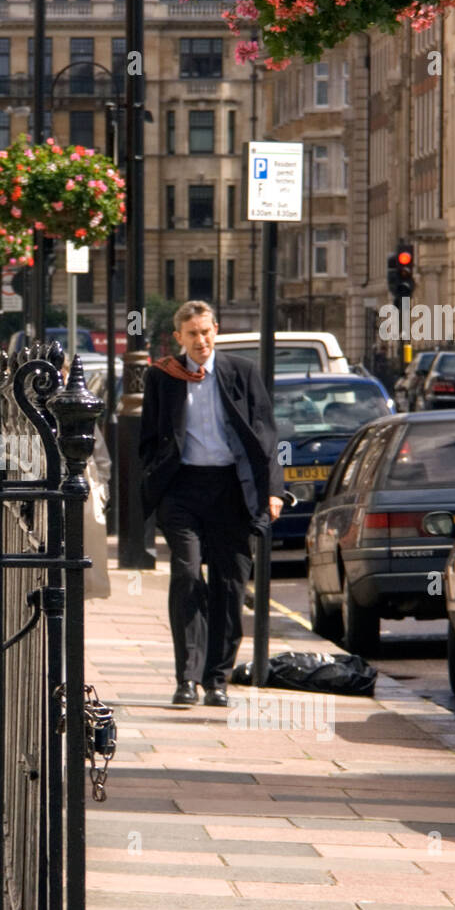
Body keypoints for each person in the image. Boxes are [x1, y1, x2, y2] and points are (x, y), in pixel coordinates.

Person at [139, 301, 284, 707]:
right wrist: (156, 479)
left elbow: (266, 436)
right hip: (182, 489)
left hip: (232, 490)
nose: (200, 341)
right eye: (192, 334)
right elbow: (148, 438)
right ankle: (186, 678)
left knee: (230, 584)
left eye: (206, 332)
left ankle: (217, 679)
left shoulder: (242, 372)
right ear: (179, 337)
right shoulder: (162, 377)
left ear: (215, 331)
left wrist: (273, 490)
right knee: (186, 576)